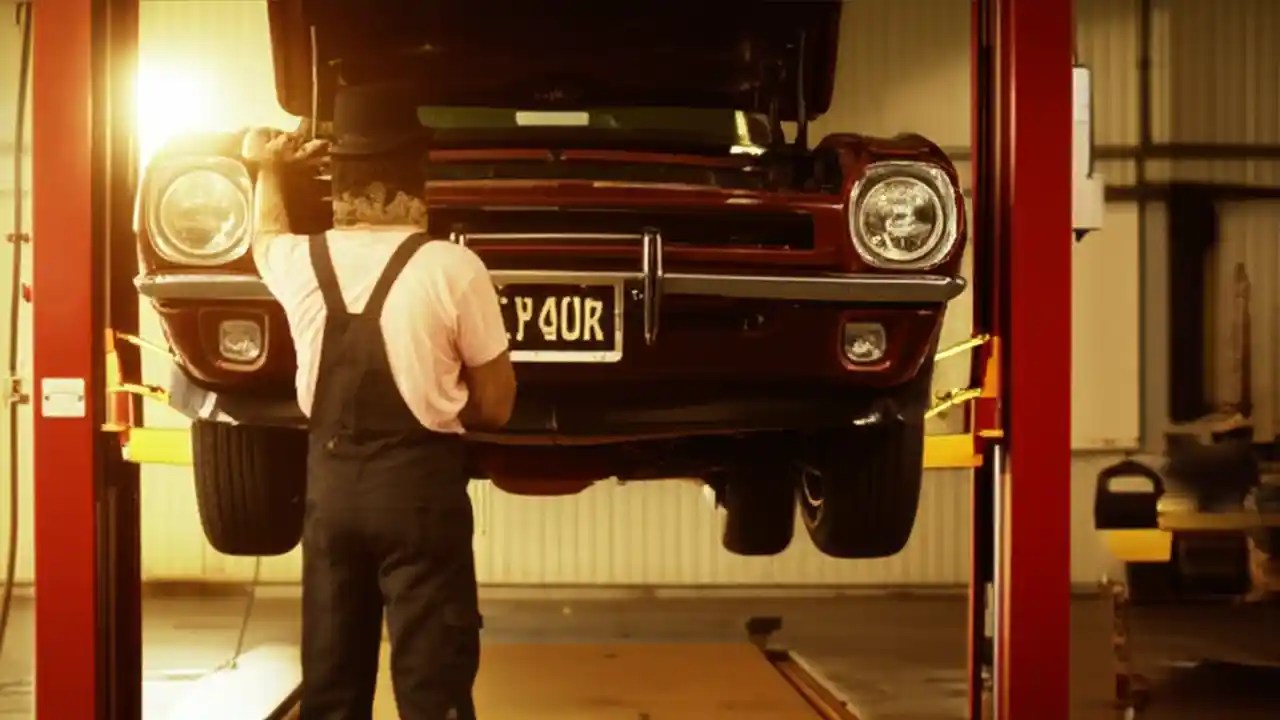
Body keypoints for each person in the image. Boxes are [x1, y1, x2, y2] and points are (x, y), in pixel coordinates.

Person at [244, 81, 516, 719]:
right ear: (411, 185)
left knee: (332, 687)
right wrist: (443, 404)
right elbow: (497, 405)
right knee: (432, 688)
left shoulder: (297, 260)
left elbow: (264, 234)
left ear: (339, 189)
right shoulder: (453, 268)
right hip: (420, 495)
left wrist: (267, 168)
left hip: (331, 496)